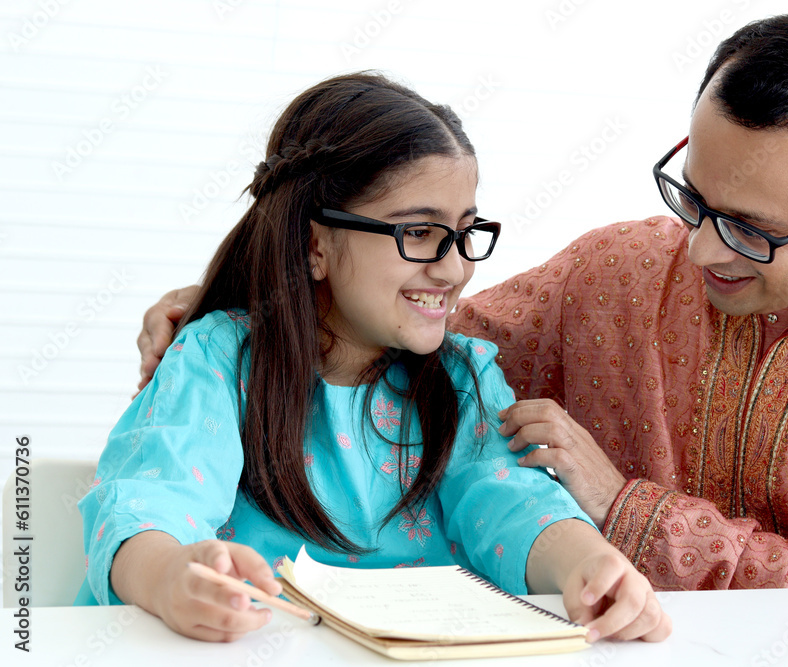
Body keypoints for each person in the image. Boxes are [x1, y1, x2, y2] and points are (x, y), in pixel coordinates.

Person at [139, 7, 788, 591]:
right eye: (691, 198)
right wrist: (250, 301)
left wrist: (625, 508)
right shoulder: (616, 270)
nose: (696, 248)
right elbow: (397, 329)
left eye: (746, 227)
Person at [79, 72, 671, 645]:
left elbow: (514, 504)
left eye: (466, 233)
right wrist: (168, 577)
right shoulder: (219, 360)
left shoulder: (462, 379)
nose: (455, 267)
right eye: (418, 232)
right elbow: (146, 504)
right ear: (316, 244)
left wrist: (589, 563)